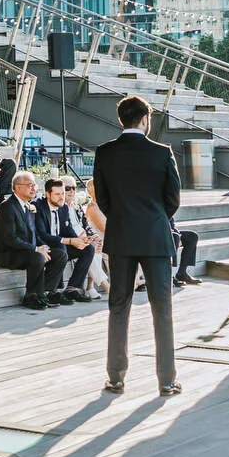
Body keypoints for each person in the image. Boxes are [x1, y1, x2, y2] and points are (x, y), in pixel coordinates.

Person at [91, 94, 183, 395]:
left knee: (118, 307)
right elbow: (173, 199)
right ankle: (167, 380)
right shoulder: (162, 152)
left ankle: (116, 377)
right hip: (155, 235)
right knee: (162, 309)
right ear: (146, 119)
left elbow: (102, 199)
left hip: (120, 235)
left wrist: (122, 217)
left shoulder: (105, 152)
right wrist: (155, 218)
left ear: (121, 119)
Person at [0, 170, 65, 309]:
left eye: (34, 185)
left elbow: (34, 234)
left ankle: (45, 292)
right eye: (29, 185)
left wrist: (42, 246)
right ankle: (31, 296)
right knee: (37, 257)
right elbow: (10, 238)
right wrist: (35, 249)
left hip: (28, 251)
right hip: (10, 254)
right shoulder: (7, 206)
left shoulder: (28, 206)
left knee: (60, 254)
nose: (33, 188)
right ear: (17, 187)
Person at [41, 178, 96, 301]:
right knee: (61, 249)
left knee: (88, 249)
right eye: (57, 194)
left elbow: (68, 229)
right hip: (44, 246)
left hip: (60, 245)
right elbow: (42, 235)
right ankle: (50, 291)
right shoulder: (39, 207)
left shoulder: (63, 207)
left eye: (62, 194)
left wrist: (80, 241)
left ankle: (73, 288)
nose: (61, 197)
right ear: (47, 194)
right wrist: (70, 241)